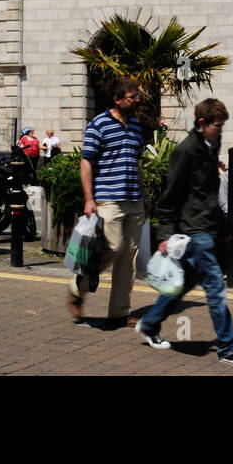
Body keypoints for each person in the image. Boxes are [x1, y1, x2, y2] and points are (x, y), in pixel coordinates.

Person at [137, 98, 233, 366]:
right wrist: (165, 234)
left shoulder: (209, 146)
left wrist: (224, 227)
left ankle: (149, 323)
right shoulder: (187, 150)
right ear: (202, 123)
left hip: (206, 227)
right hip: (193, 230)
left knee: (184, 284)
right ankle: (227, 348)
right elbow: (170, 196)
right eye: (218, 125)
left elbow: (208, 194)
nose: (221, 130)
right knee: (215, 287)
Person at [67, 77, 148, 328]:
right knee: (112, 247)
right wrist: (89, 199)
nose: (137, 100)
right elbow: (86, 161)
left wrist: (144, 196)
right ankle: (78, 284)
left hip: (133, 200)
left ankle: (119, 312)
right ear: (118, 99)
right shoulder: (98, 124)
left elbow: (136, 164)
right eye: (132, 96)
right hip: (108, 199)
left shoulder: (135, 125)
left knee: (129, 260)